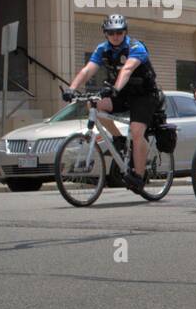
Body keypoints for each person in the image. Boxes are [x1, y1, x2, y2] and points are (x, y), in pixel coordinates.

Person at [63, 14, 163, 191]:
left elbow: (128, 68)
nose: (115, 36)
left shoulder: (136, 47)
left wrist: (115, 88)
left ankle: (139, 176)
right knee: (93, 104)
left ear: (125, 32)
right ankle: (117, 137)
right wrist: (71, 88)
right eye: (111, 33)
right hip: (122, 94)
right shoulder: (103, 49)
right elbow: (88, 70)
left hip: (144, 95)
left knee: (137, 131)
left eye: (119, 32)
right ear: (105, 34)